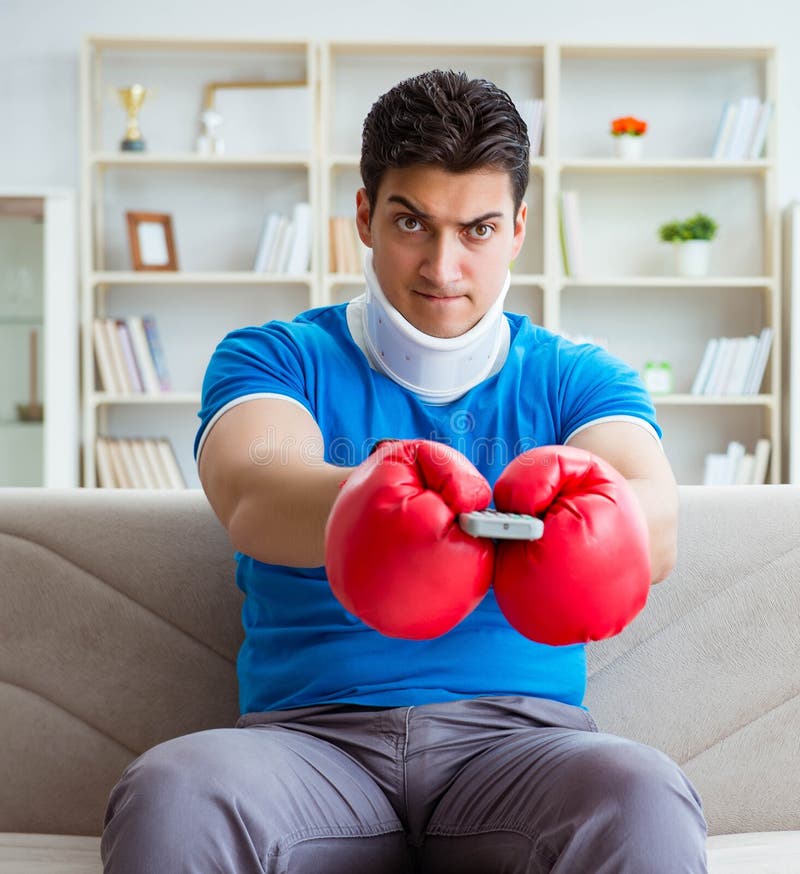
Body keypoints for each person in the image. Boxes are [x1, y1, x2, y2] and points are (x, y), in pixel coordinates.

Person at [101, 70, 708, 873]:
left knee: (642, 792)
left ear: (520, 227)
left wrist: (573, 522)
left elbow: (655, 525)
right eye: (413, 223)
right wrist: (385, 500)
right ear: (365, 215)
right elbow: (253, 488)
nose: (444, 267)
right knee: (173, 788)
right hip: (309, 748)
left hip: (521, 752)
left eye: (479, 230)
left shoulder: (578, 377)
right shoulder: (276, 356)